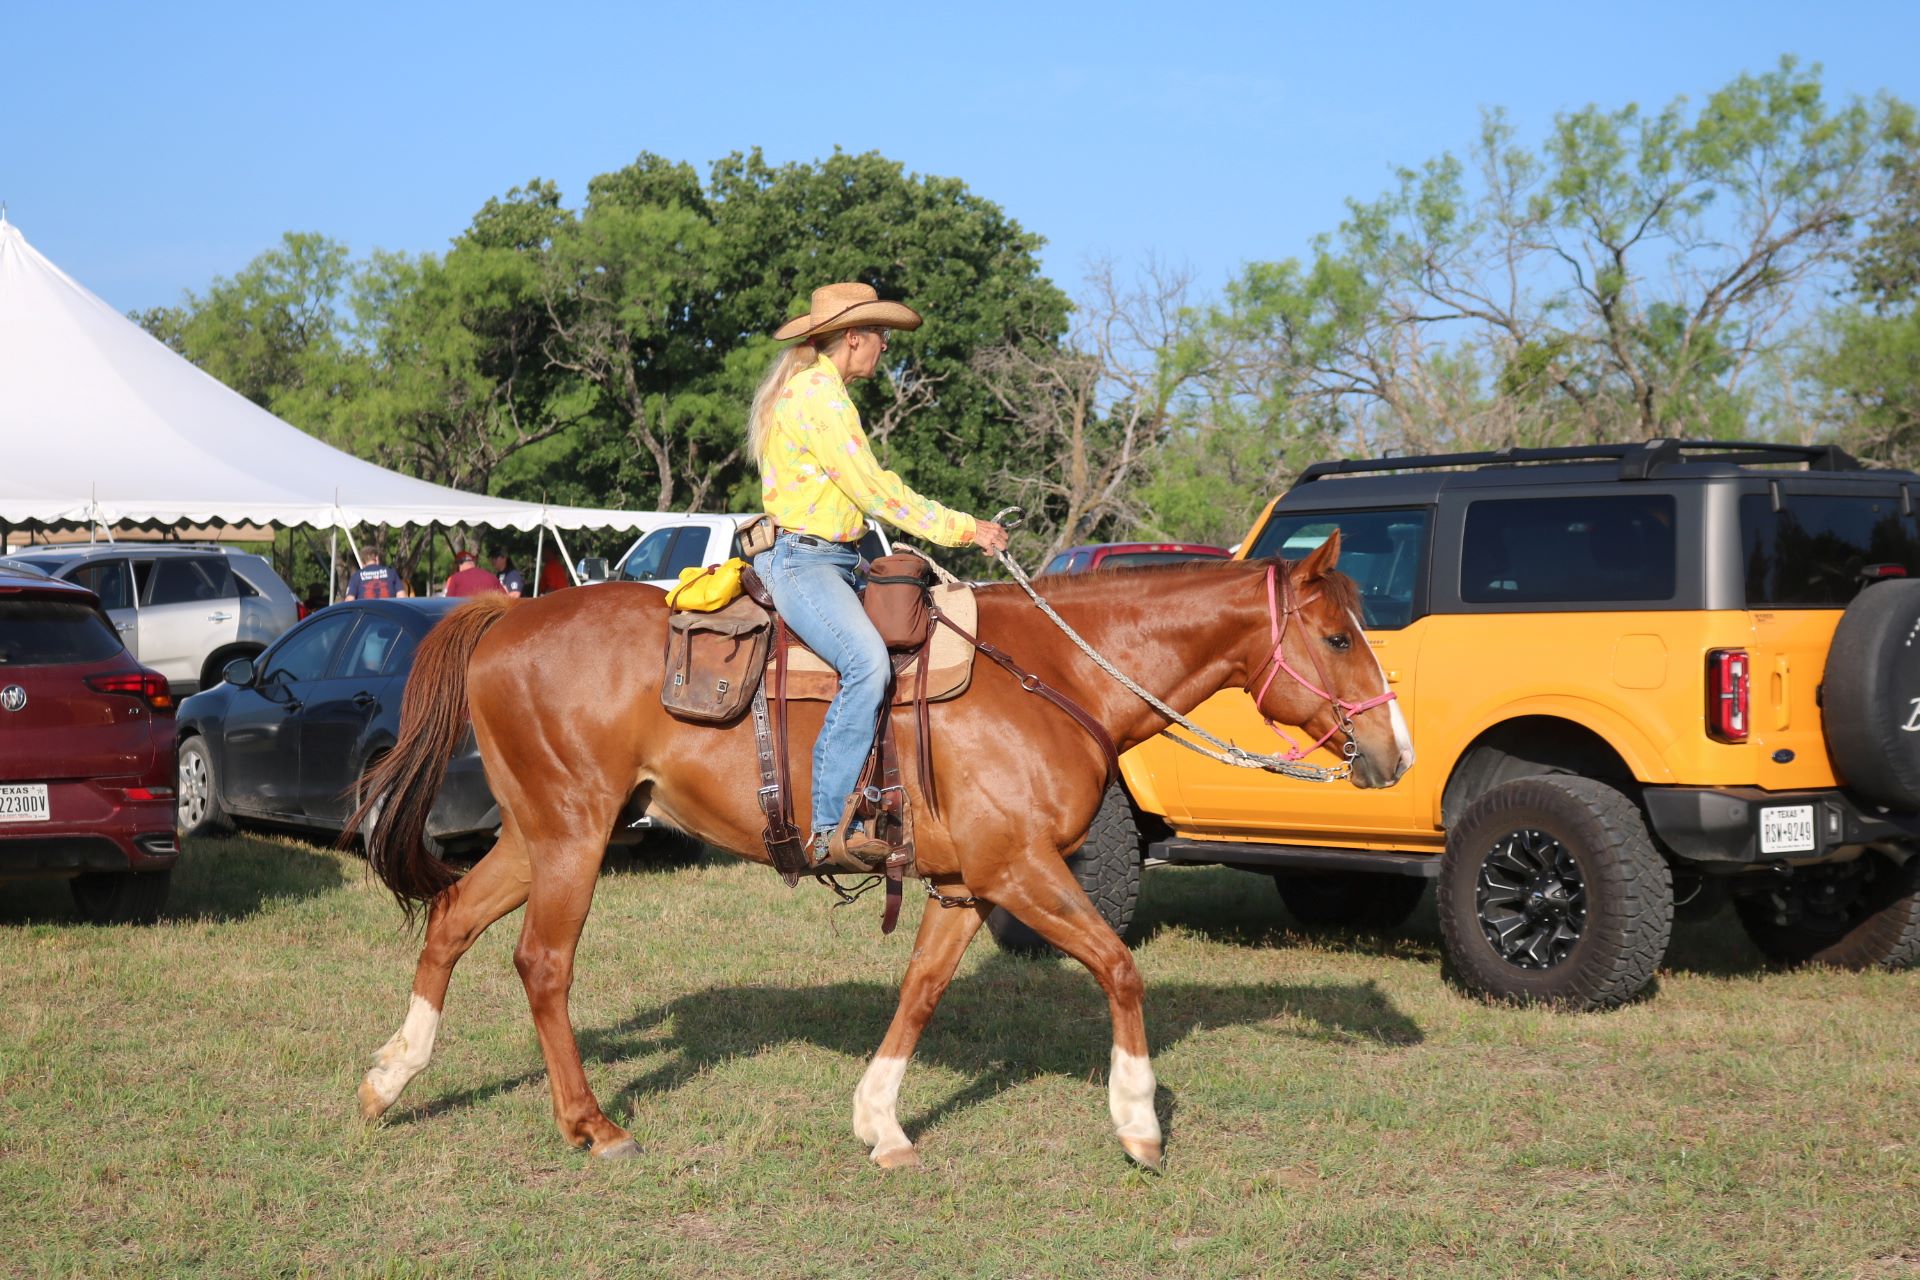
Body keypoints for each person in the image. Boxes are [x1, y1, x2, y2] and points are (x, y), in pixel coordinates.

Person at [747, 282, 1008, 871]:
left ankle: (892, 799)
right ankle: (827, 828)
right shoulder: (821, 397)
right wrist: (965, 529)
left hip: (834, 558)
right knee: (866, 662)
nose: (887, 346)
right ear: (854, 338)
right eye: (881, 336)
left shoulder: (820, 390)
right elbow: (873, 489)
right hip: (805, 561)